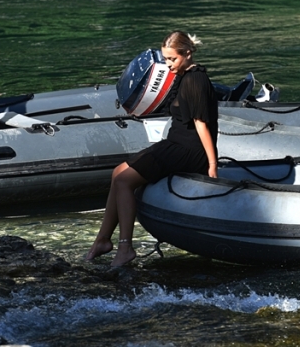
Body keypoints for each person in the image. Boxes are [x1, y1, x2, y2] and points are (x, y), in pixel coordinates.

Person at [87, 31, 218, 267]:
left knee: (124, 181)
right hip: (175, 143)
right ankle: (103, 240)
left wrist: (211, 164)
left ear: (188, 54)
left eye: (173, 59)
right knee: (117, 173)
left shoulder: (195, 80)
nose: (168, 64)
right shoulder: (181, 75)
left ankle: (125, 247)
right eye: (166, 59)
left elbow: (202, 124)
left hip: (188, 150)